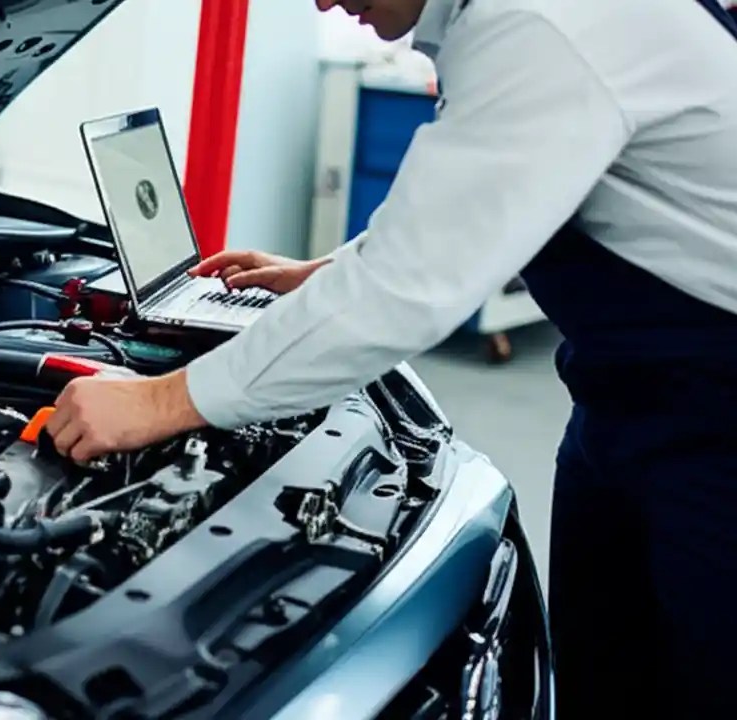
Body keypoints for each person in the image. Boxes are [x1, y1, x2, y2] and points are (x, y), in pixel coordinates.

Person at [44, 0, 737, 715]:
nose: (320, 2)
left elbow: (411, 289)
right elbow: (472, 205)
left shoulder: (538, 24)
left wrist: (158, 401)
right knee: (610, 675)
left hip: (717, 422)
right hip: (629, 398)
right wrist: (329, 273)